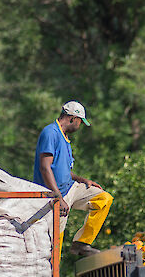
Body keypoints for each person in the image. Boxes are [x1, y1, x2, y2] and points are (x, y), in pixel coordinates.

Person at [32, 101, 112, 257]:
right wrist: (58, 197)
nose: (79, 126)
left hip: (70, 187)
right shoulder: (50, 133)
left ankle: (81, 244)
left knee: (104, 199)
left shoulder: (65, 139)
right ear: (73, 118)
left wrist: (83, 180)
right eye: (80, 122)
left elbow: (65, 171)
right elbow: (45, 167)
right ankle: (52, 271)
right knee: (55, 247)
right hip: (54, 195)